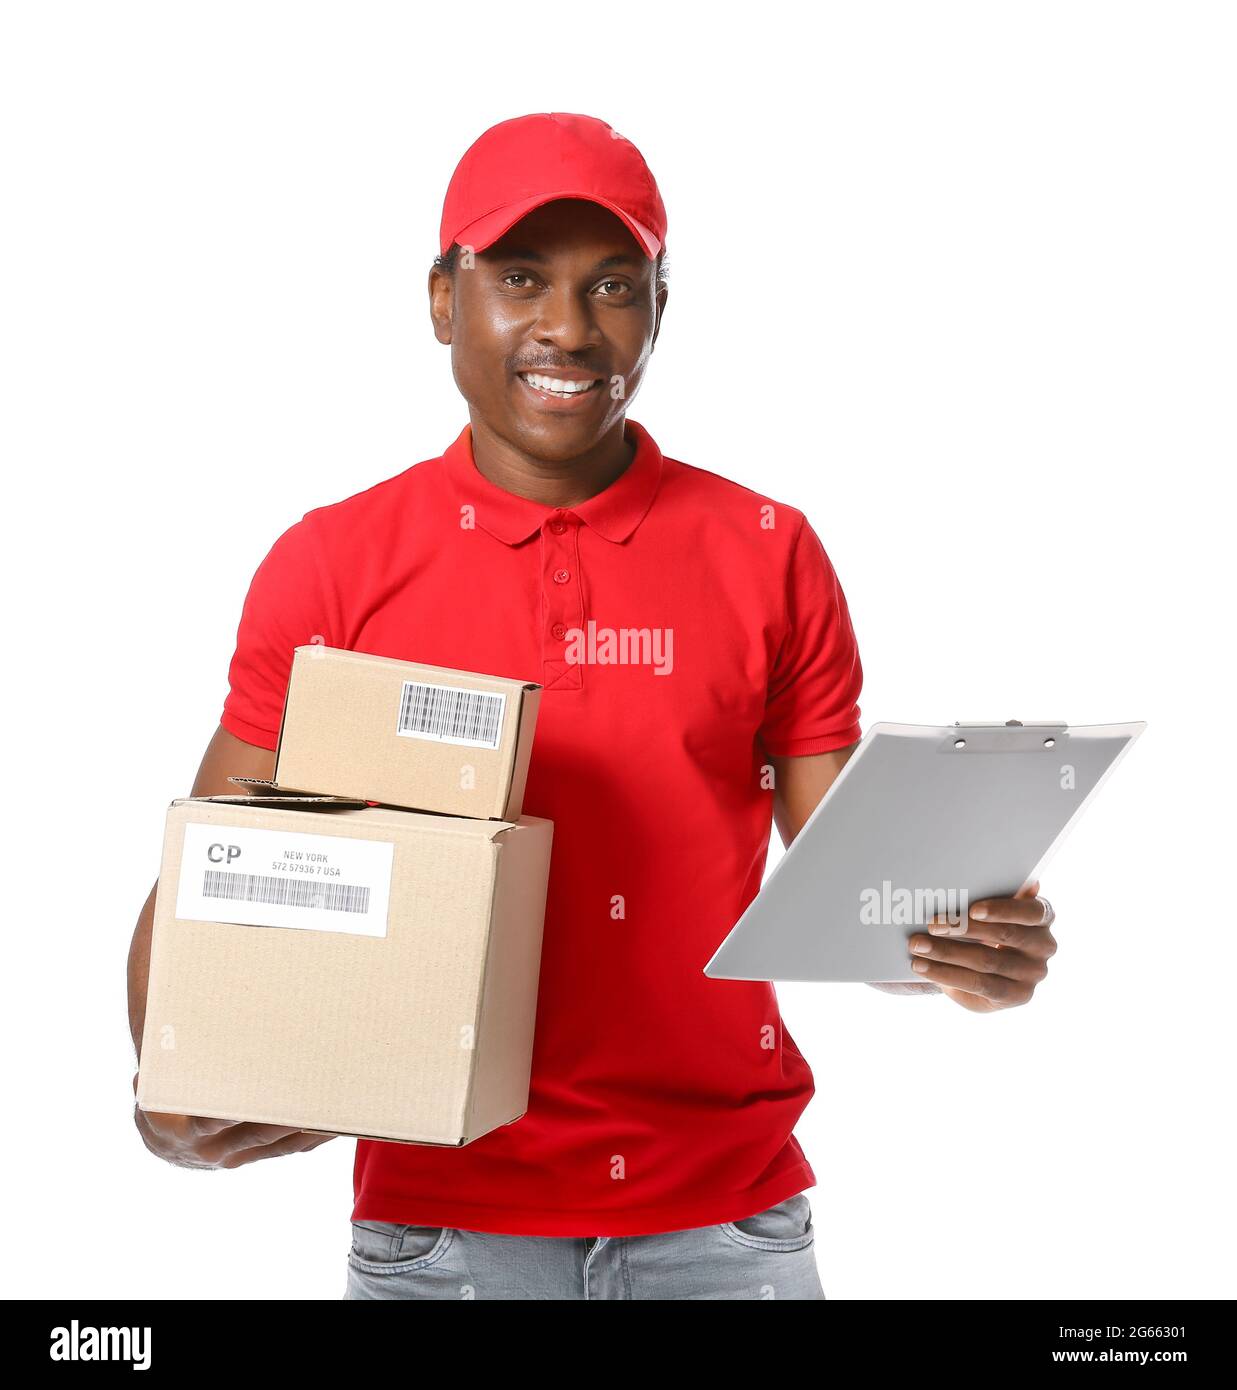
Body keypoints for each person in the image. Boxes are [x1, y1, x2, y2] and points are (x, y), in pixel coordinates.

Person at [127, 112, 1059, 1301]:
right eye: (520, 278)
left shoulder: (765, 551)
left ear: (661, 309)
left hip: (727, 1222)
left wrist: (955, 948)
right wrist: (163, 1088)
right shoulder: (332, 564)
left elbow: (849, 893)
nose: (568, 328)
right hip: (442, 1223)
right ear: (440, 299)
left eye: (614, 285)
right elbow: (212, 866)